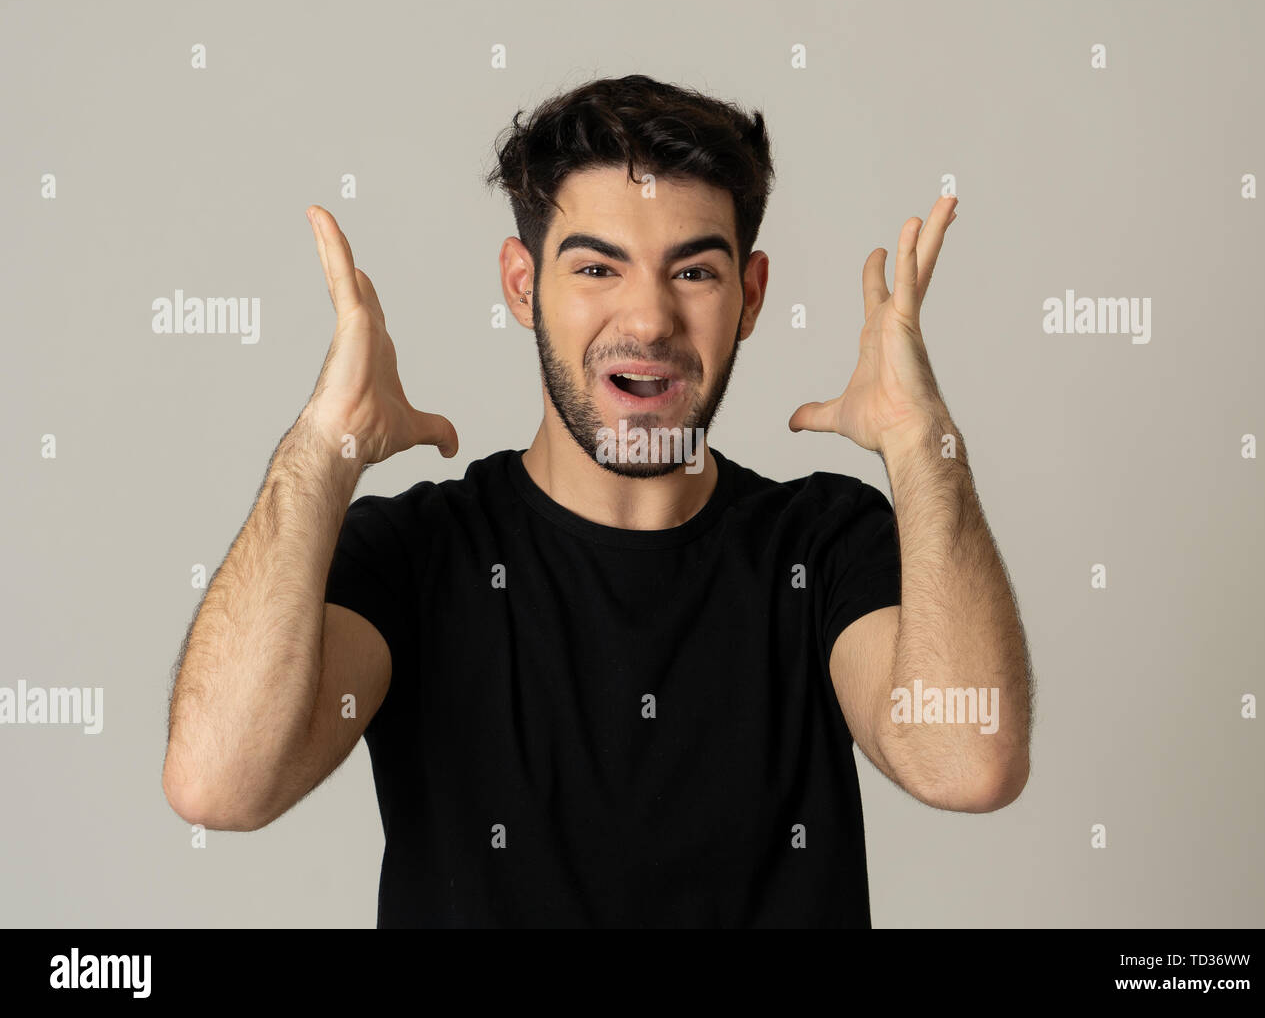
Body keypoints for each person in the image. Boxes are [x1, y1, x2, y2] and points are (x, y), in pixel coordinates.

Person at [162, 74, 1033, 928]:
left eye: (693, 271)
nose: (648, 318)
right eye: (596, 268)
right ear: (521, 284)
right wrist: (322, 447)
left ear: (751, 297)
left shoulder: (826, 544)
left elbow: (968, 762)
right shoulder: (415, 553)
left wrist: (924, 443)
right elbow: (219, 782)